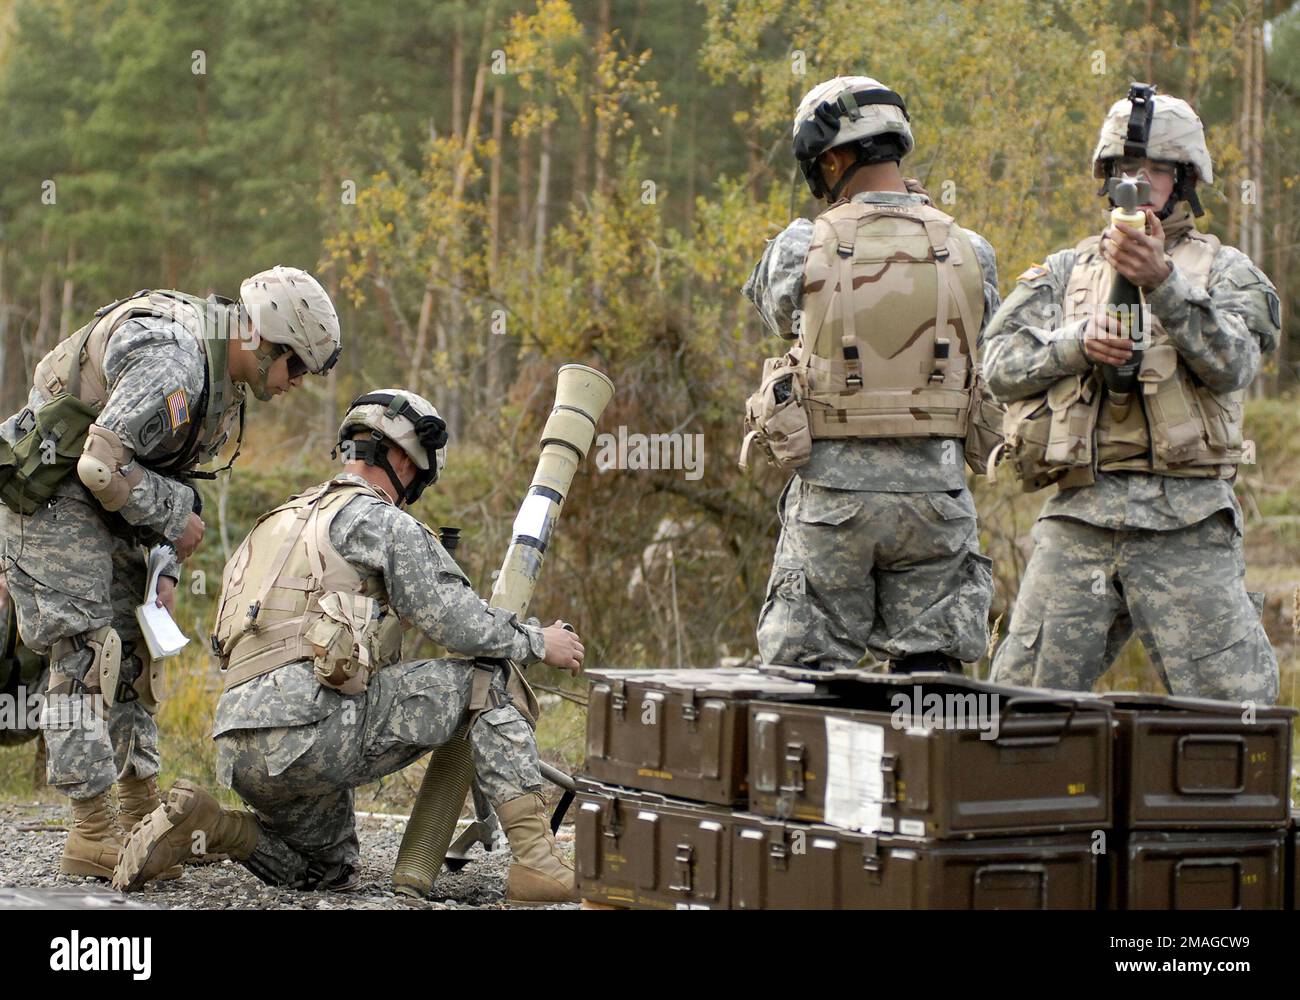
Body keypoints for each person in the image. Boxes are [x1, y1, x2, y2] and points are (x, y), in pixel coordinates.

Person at [113, 390, 586, 905]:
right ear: (403, 458)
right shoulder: (378, 520)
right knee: (491, 680)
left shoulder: (273, 524)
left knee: (326, 872)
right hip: (312, 733)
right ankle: (537, 864)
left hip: (239, 743)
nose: (414, 492)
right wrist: (539, 641)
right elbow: (458, 622)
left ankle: (216, 826)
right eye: (419, 478)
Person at [0, 266, 342, 878]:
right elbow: (101, 466)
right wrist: (175, 516)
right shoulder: (176, 358)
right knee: (84, 652)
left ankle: (138, 811)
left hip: (112, 507)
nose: (296, 384)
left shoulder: (224, 381)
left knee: (138, 651)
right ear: (264, 339)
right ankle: (92, 831)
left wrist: (165, 568)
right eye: (295, 367)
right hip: (54, 497)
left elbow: (171, 470)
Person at [985, 86, 1280, 703]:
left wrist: (1164, 285)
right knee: (1016, 708)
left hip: (1187, 522)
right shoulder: (1066, 272)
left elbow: (1237, 363)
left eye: (1152, 172)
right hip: (1079, 519)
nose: (1136, 183)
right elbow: (997, 365)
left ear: (1186, 180)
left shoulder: (1229, 273)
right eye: (1123, 170)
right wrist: (1075, 343)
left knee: (1233, 711)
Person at [742, 75, 999, 673]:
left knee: (804, 677)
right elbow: (976, 333)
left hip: (834, 501)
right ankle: (928, 764)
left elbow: (776, 313)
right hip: (937, 499)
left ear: (831, 159)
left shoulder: (802, 244)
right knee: (934, 681)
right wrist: (922, 219)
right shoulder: (969, 247)